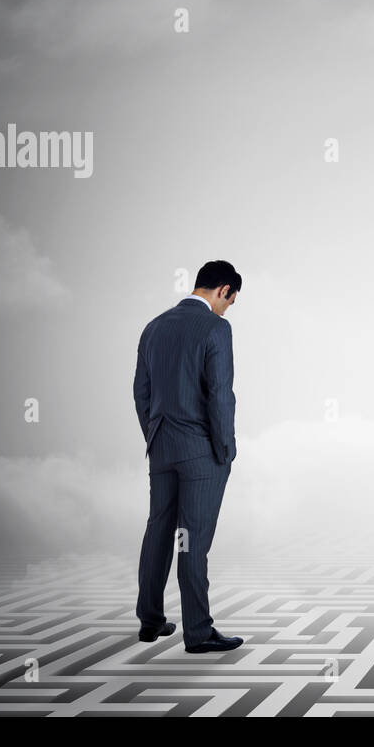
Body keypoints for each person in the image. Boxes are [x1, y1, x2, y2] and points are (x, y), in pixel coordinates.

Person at [133, 259, 244, 652]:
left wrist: (155, 434)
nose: (227, 309)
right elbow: (219, 394)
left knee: (160, 530)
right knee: (192, 541)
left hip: (161, 447)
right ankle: (197, 632)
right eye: (230, 301)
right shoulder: (217, 328)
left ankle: (150, 620)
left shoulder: (154, 327)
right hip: (201, 453)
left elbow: (141, 392)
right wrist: (225, 449)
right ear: (224, 290)